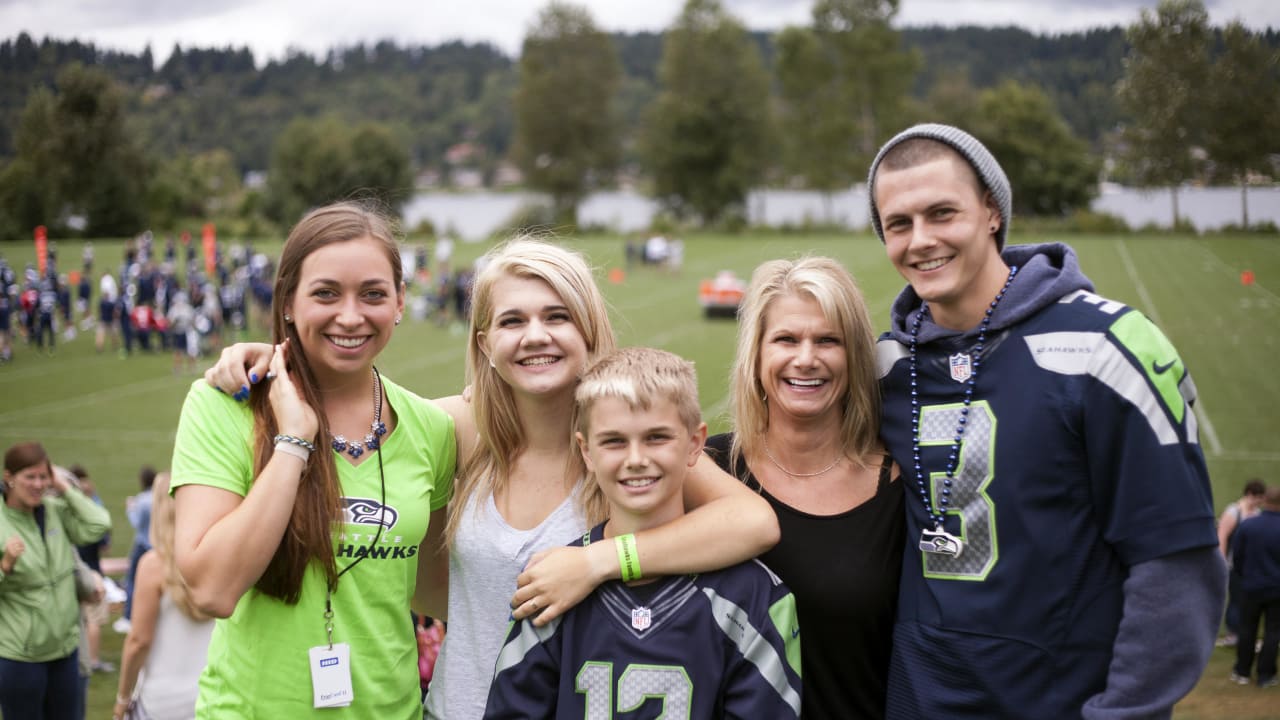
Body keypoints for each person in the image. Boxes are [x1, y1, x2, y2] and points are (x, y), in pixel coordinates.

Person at [204, 238, 780, 720]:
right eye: (513, 321)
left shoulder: (622, 441)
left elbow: (750, 522)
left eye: (557, 316)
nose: (536, 336)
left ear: (589, 329)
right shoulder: (454, 428)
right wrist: (275, 359)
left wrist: (600, 561)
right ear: (486, 343)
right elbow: (349, 416)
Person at [867, 123, 1225, 717]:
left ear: (991, 212)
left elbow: (1175, 560)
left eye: (942, 213)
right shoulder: (882, 367)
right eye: (898, 224)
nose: (921, 240)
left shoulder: (1107, 346)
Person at [171, 201, 457, 718]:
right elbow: (211, 588)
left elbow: (436, 593)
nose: (351, 316)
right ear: (287, 302)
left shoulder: (431, 427)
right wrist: (294, 442)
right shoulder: (226, 405)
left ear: (399, 302)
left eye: (373, 294)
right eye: (325, 293)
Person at [484, 347, 802, 719]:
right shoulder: (550, 585)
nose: (636, 459)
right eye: (614, 441)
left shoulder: (754, 597)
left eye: (656, 438)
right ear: (586, 451)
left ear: (695, 443)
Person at [704, 256, 903, 719]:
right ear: (756, 355)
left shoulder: (899, 486)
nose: (806, 358)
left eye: (828, 340)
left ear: (853, 357)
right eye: (786, 339)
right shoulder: (708, 470)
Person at [0, 441, 112, 720]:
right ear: (8, 478)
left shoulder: (54, 510)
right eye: (30, 477)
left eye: (43, 476)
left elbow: (99, 525)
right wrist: (5, 565)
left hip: (65, 651)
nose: (38, 484)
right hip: (21, 657)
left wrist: (65, 489)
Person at [115, 471, 215, 720]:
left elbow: (139, 641)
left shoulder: (153, 565)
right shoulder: (217, 559)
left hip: (162, 700)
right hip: (212, 693)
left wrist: (122, 698)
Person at [1231, 484, 1280, 688]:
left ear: (1264, 501)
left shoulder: (1248, 525)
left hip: (1250, 586)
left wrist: (1244, 576)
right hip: (1277, 588)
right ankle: (1265, 675)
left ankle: (1242, 671)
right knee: (1273, 632)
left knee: (1247, 629)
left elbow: (1237, 556)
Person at [70, 465, 113, 673]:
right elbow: (105, 545)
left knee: (77, 619)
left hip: (70, 572)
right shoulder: (93, 516)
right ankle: (93, 661)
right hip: (92, 571)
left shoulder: (65, 513)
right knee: (94, 619)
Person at [1219, 479, 1267, 646]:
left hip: (1253, 567)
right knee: (1236, 600)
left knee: (1249, 601)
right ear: (1249, 495)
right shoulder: (1234, 512)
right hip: (1235, 565)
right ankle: (1233, 632)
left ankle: (1245, 632)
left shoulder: (1258, 513)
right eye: (1258, 497)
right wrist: (1223, 560)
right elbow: (1222, 535)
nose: (1259, 502)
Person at [116, 465, 157, 633]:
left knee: (132, 581)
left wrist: (129, 509)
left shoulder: (142, 500)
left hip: (142, 545)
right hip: (157, 545)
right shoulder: (158, 497)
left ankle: (128, 618)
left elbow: (136, 523)